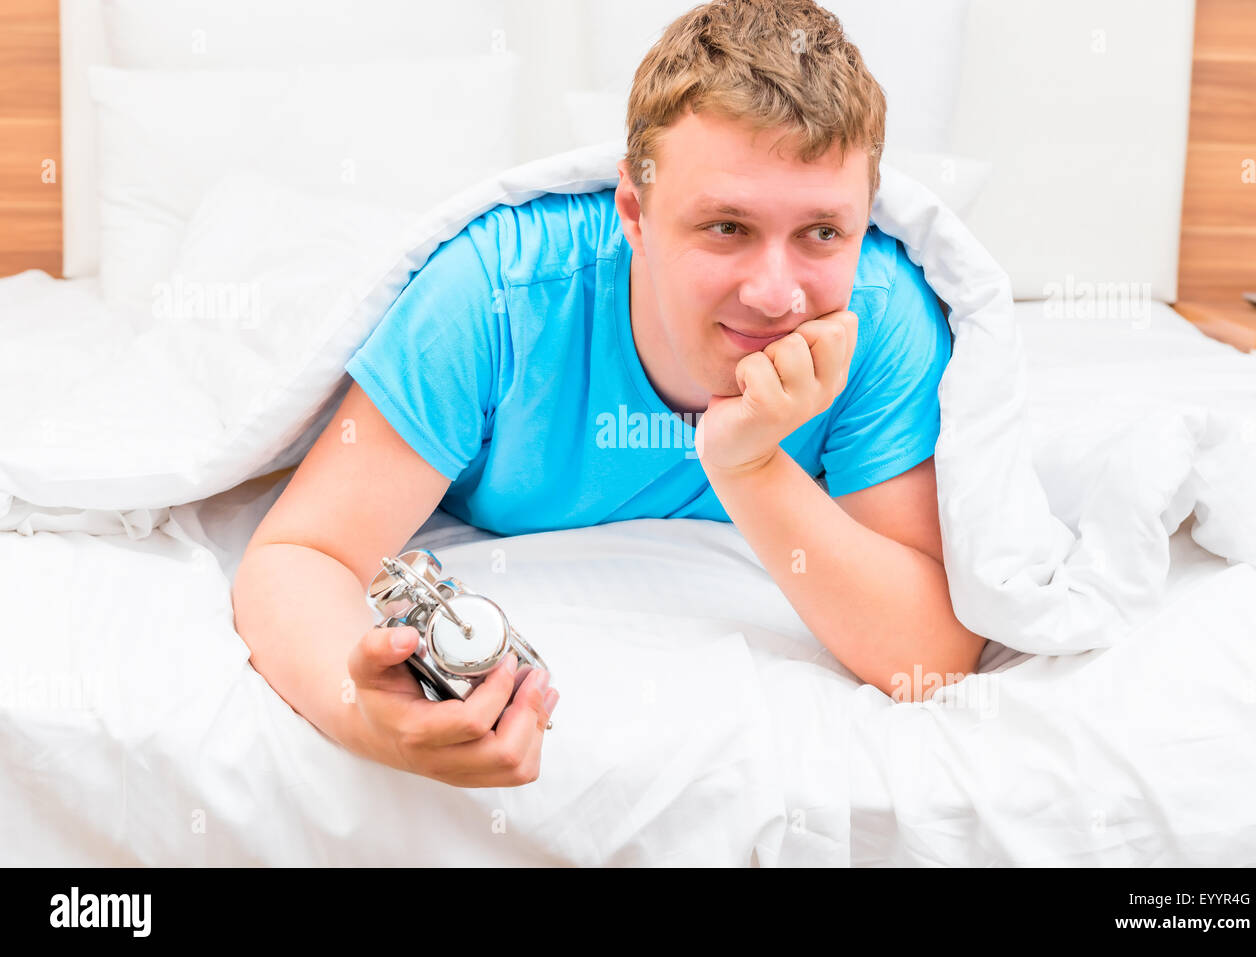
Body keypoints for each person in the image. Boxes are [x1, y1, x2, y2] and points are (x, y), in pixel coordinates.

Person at [232, 0, 987, 789]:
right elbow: (301, 552)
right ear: (634, 209)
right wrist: (363, 718)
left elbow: (925, 656)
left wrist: (750, 465)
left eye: (822, 232)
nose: (775, 294)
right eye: (726, 226)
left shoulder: (882, 317)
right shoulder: (495, 297)